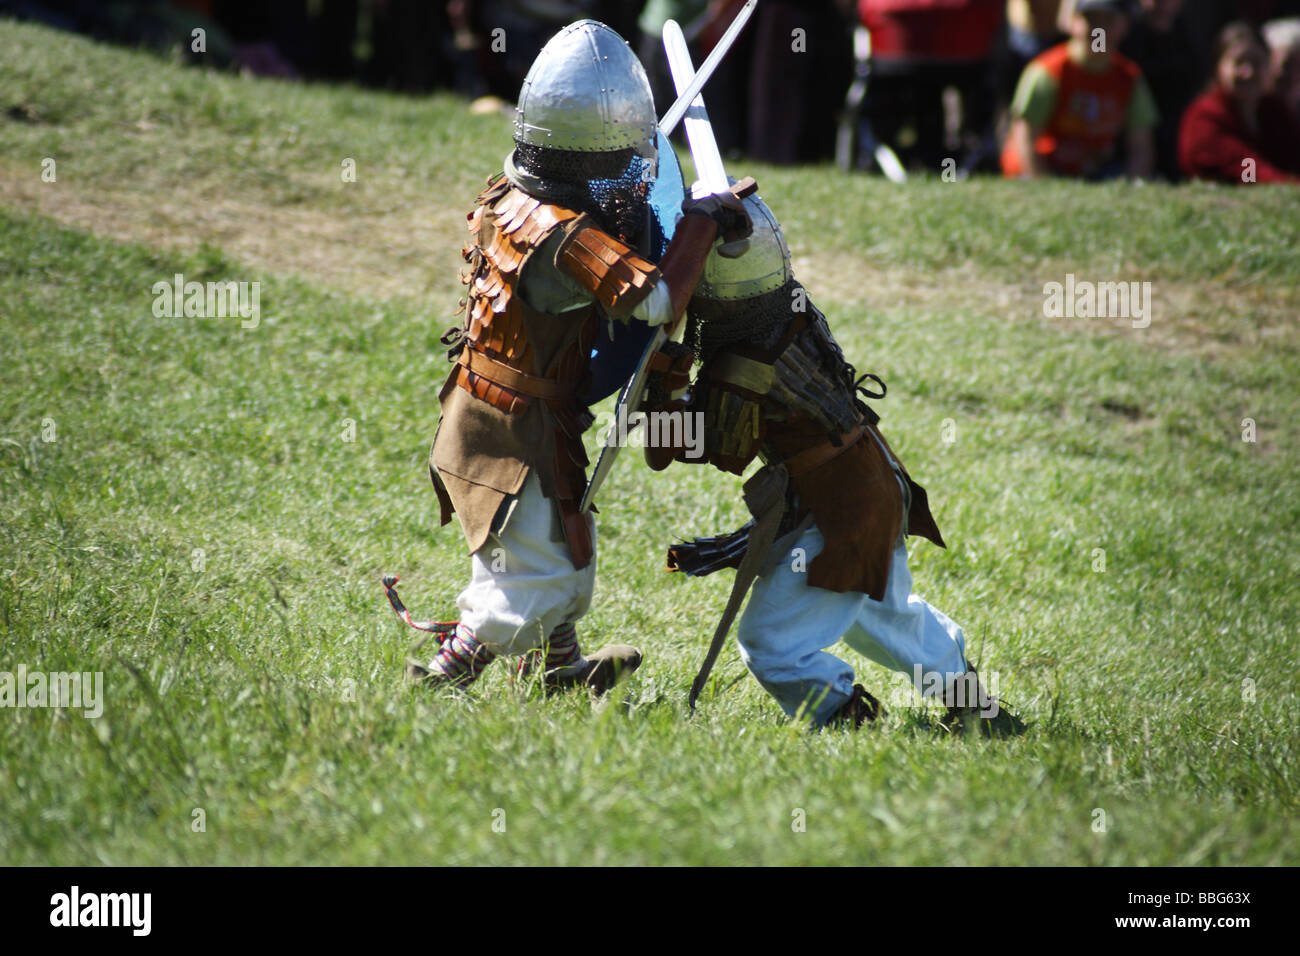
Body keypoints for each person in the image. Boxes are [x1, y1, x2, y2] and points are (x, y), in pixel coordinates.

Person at [412, 20, 753, 694]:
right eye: (620, 165)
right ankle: (443, 677)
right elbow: (654, 302)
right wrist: (701, 224)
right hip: (510, 430)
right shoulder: (565, 237)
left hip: (519, 408)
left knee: (559, 551)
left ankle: (560, 668)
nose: (631, 181)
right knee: (529, 579)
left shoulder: (509, 198)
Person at [642, 192, 1008, 732]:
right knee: (881, 611)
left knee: (770, 643)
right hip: (869, 479)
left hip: (836, 509)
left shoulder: (745, 359)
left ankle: (845, 720)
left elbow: (693, 449)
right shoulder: (789, 307)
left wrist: (662, 381)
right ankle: (972, 701)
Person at [1002, 0, 1157, 179]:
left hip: (1095, 172)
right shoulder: (1048, 73)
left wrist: (1131, 188)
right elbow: (1024, 140)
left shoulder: (1128, 78)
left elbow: (1141, 148)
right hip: (1043, 171)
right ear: (1073, 22)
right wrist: (1043, 185)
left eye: (1107, 21)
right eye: (1091, 20)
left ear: (1124, 26)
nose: (1099, 31)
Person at [1179, 21, 1300, 184]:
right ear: (1218, 68)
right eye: (1239, 62)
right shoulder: (1204, 117)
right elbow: (1248, 173)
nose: (1248, 72)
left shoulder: (1273, 110)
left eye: (1256, 63)